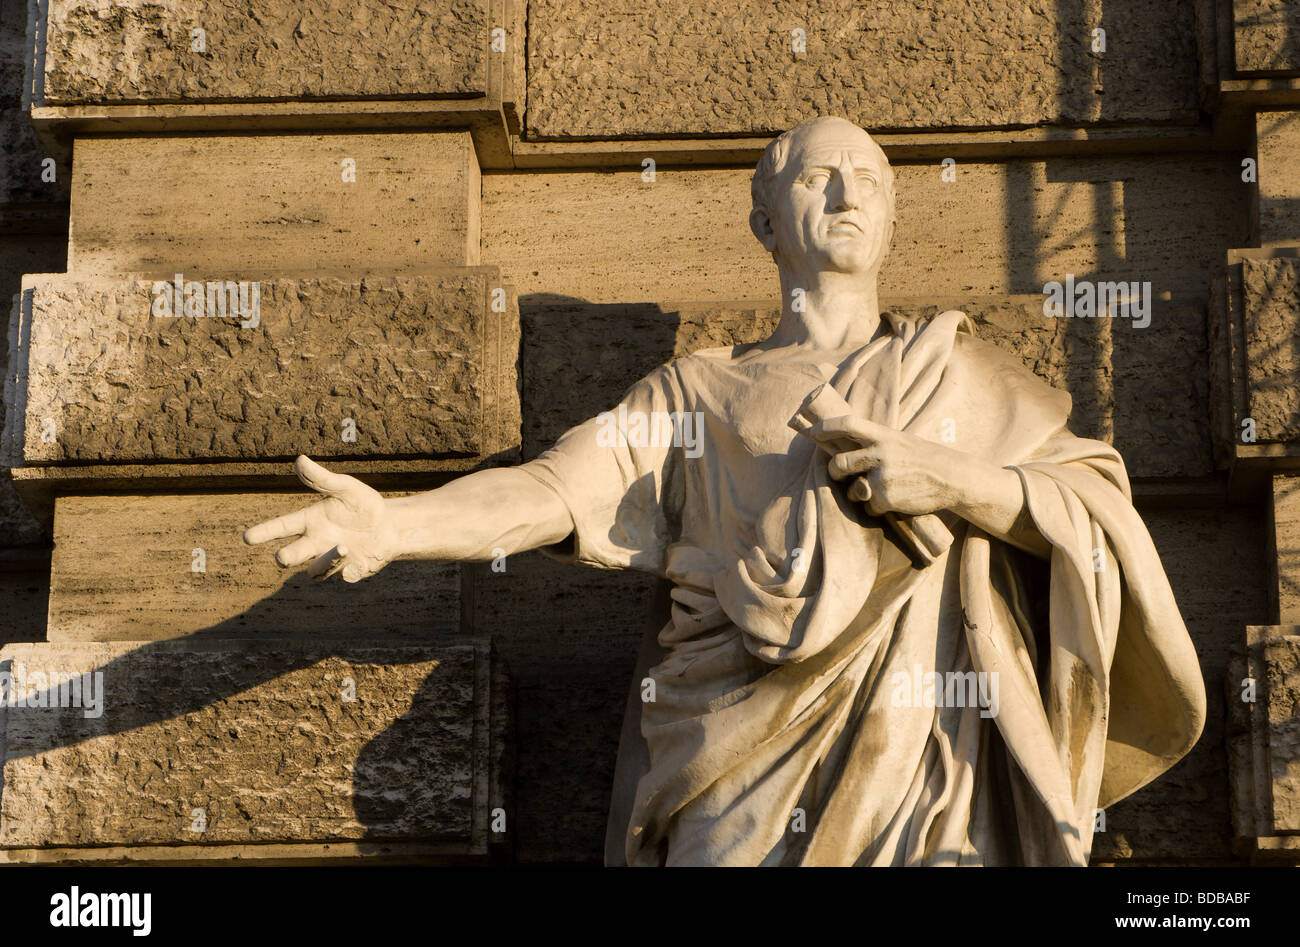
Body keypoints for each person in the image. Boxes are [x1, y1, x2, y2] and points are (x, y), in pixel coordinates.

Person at [245, 116, 1205, 866]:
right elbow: (552, 490)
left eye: (869, 177)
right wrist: (394, 521)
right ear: (764, 220)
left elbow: (1094, 514)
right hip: (732, 764)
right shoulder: (697, 390)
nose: (847, 190)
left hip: (926, 767)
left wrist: (948, 477)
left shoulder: (965, 377)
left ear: (894, 219)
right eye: (818, 175)